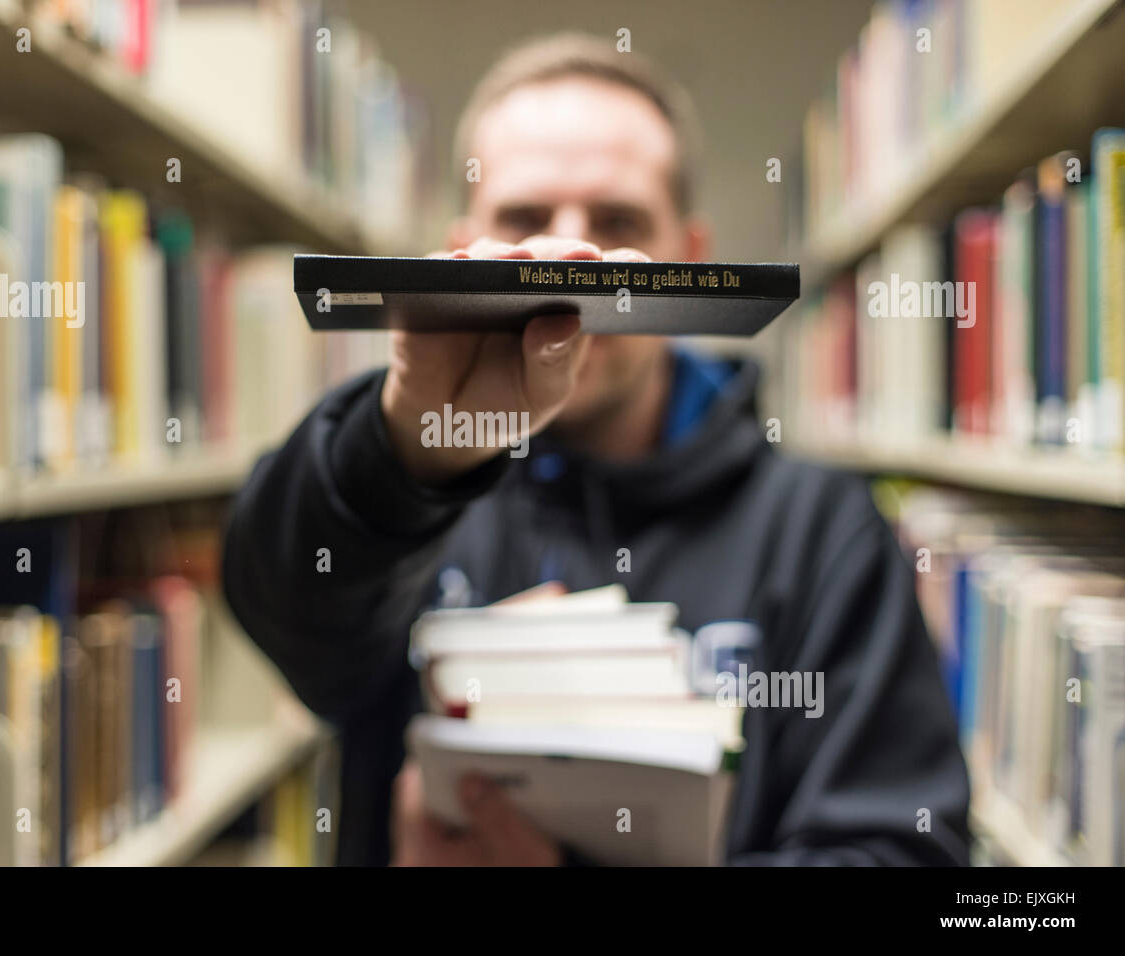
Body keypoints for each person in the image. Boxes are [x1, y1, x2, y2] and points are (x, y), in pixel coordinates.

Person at [223, 33, 970, 866]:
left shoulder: (824, 533)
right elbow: (281, 609)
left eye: (616, 223)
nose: (564, 262)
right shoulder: (403, 489)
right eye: (525, 221)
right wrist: (408, 451)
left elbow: (905, 851)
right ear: (467, 244)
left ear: (688, 256)